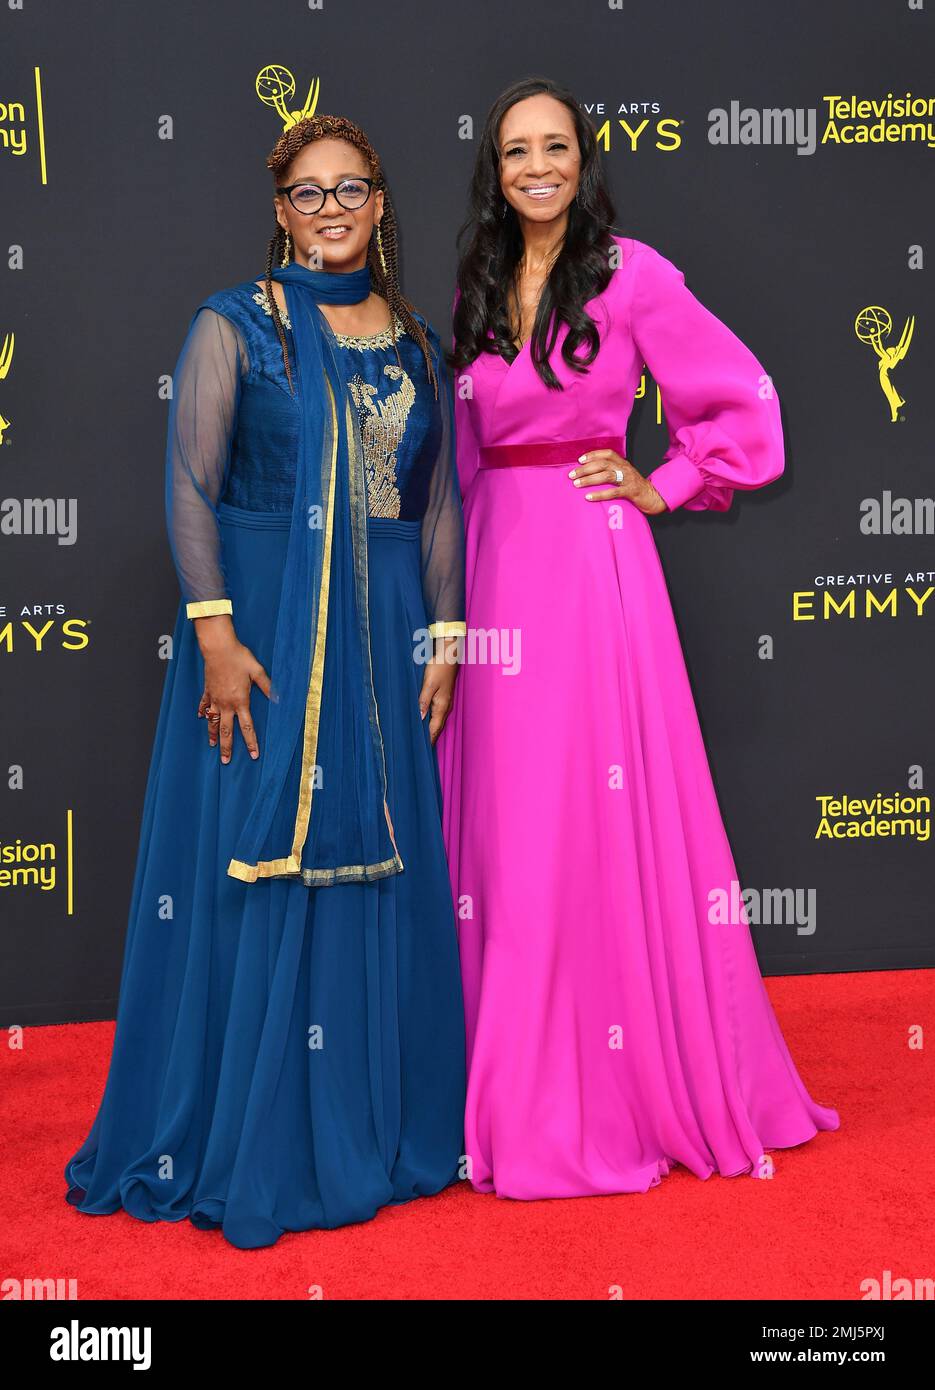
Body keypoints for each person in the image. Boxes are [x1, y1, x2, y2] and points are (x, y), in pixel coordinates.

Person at [64, 114, 467, 1249]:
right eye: (306, 192)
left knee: (376, 858)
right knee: (255, 854)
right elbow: (191, 482)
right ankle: (245, 1128)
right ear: (279, 206)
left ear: (381, 203)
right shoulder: (235, 323)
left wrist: (446, 633)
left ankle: (369, 1123)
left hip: (383, 631)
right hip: (267, 629)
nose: (329, 208)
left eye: (350, 189)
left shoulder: (421, 344)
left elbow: (434, 502)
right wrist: (215, 635)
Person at [438, 77, 839, 1200]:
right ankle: (501, 1082)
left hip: (588, 561)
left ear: (583, 159)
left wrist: (659, 483)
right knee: (511, 833)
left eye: (554, 146)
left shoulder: (630, 273)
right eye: (516, 150)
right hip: (494, 567)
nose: (536, 167)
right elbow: (463, 458)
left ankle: (612, 1086)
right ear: (494, 167)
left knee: (592, 816)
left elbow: (742, 402)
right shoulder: (474, 283)